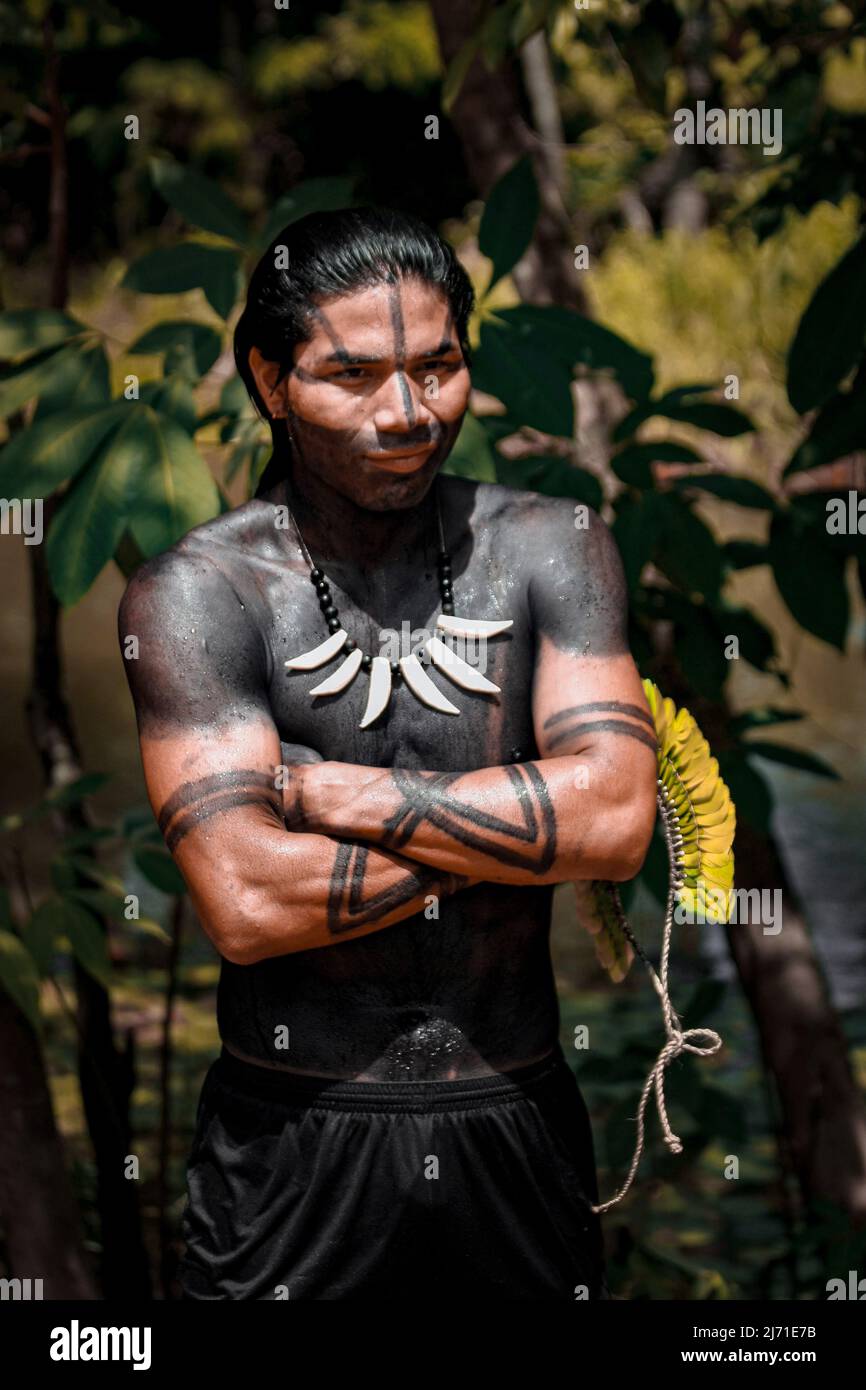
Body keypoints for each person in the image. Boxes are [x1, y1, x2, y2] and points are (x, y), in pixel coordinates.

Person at [117, 205, 658, 1301]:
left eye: (439, 366)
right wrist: (524, 834)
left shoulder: (554, 546)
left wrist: (344, 793)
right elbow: (248, 902)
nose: (407, 412)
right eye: (353, 376)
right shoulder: (196, 594)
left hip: (514, 1121)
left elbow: (613, 824)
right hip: (292, 1141)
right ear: (270, 382)